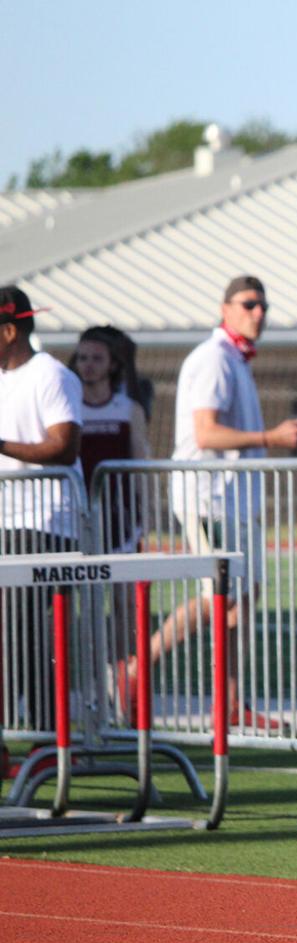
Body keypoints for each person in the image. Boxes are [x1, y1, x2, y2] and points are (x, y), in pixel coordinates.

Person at [124, 276, 297, 733]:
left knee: (241, 598)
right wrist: (271, 438)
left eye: (263, 305)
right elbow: (206, 433)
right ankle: (136, 668)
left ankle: (229, 702)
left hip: (233, 499)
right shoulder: (212, 358)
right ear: (225, 308)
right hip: (208, 498)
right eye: (249, 304)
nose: (258, 313)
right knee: (224, 601)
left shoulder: (236, 359)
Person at [0, 286, 83, 749]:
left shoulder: (51, 374)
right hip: (6, 522)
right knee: (11, 642)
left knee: (37, 644)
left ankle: (49, 743)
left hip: (45, 524)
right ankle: (24, 740)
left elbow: (64, 445)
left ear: (10, 330)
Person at [69, 326, 153, 722]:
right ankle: (83, 697)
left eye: (97, 358)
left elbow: (140, 468)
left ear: (113, 364)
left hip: (120, 526)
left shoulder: (126, 410)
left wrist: (146, 523)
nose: (88, 366)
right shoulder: (67, 407)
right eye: (83, 357)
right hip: (76, 525)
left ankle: (125, 692)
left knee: (124, 612)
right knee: (76, 612)